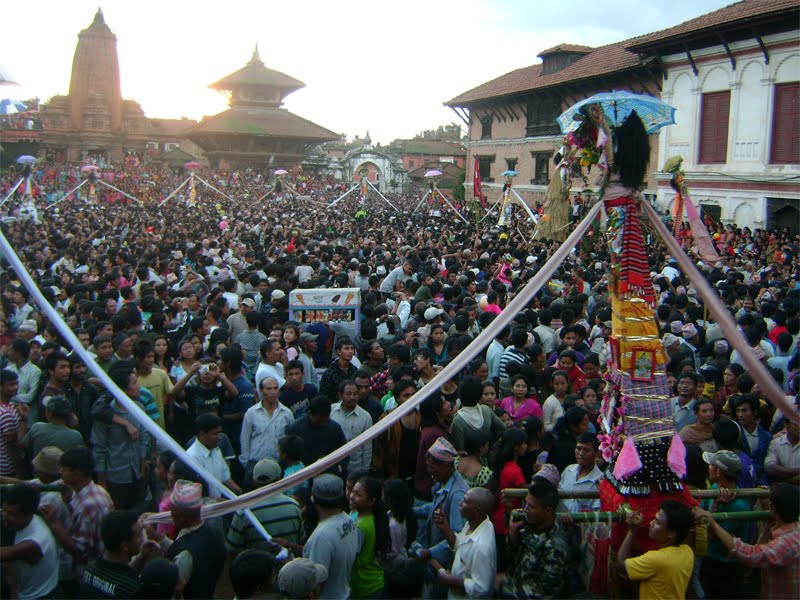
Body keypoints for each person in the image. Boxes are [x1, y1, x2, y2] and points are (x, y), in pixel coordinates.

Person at [693, 482, 800, 600]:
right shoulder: (793, 534)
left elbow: (751, 554)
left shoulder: (785, 544)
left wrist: (713, 523)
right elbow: (763, 547)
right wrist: (769, 519)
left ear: (773, 508)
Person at [40, 446, 114, 587]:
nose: (60, 472)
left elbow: (78, 552)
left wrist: (54, 522)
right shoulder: (95, 490)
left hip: (92, 575)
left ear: (77, 474)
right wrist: (68, 503)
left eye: (64, 469)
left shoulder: (89, 505)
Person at [498, 482, 572, 598]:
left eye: (531, 506)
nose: (525, 509)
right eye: (525, 503)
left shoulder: (555, 546)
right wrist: (513, 534)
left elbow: (545, 593)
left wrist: (504, 586)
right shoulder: (530, 524)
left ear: (547, 511)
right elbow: (511, 556)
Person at [616, 500, 695, 600]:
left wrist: (632, 531)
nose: (651, 523)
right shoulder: (688, 552)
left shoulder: (656, 559)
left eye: (657, 522)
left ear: (671, 533)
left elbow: (620, 564)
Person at [698, 449, 750, 598]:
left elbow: (711, 534)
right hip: (710, 560)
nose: (708, 467)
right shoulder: (714, 489)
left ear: (718, 472)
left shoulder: (740, 505)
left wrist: (713, 508)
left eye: (711, 465)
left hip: (728, 567)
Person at [302, 474, 363, 600]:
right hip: (344, 594)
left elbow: (316, 585)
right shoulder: (348, 520)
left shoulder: (321, 536)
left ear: (313, 499)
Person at [164, 480, 227, 600]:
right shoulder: (214, 533)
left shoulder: (185, 555)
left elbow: (174, 591)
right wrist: (161, 540)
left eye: (172, 513)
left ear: (181, 518)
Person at [430, 486, 497, 599]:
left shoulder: (481, 547)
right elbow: (460, 546)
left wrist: (450, 580)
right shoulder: (476, 523)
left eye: (465, 501)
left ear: (476, 510)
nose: (460, 503)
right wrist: (445, 527)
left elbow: (482, 587)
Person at [412, 437, 469, 570]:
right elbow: (434, 507)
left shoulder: (457, 494)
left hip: (447, 564)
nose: (430, 472)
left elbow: (457, 535)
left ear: (446, 466)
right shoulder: (441, 482)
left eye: (433, 468)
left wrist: (430, 552)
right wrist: (413, 511)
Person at [226, 458, 303, 554]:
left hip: (257, 567)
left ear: (254, 481)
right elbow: (301, 540)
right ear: (279, 478)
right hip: (290, 566)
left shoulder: (244, 511)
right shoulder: (294, 505)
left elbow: (233, 549)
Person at [0, 484, 60, 600]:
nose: (5, 516)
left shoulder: (35, 542)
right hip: (22, 589)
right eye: (5, 510)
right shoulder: (25, 516)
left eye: (11, 514)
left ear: (28, 514)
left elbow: (7, 554)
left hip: (40, 597)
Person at [239, 376, 293, 488]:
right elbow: (245, 439)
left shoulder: (287, 414)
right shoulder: (251, 413)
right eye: (268, 389)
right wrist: (246, 463)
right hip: (254, 464)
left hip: (278, 464)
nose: (273, 392)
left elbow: (290, 439)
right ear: (261, 391)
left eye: (275, 388)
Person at [81, 511, 146, 598]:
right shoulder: (131, 589)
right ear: (125, 546)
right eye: (138, 536)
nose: (142, 539)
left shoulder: (90, 569)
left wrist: (141, 558)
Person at [286, 396, 349, 479]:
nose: (323, 423)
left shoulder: (334, 428)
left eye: (325, 420)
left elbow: (344, 452)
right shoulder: (295, 428)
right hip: (301, 477)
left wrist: (338, 469)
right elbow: (287, 455)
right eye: (320, 420)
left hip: (327, 476)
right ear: (310, 414)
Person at [348, 477, 390, 599]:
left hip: (364, 586)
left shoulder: (361, 527)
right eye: (352, 492)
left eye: (358, 494)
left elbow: (351, 556)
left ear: (371, 501)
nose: (351, 496)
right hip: (375, 581)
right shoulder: (373, 518)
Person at [186, 413, 241, 498]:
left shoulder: (216, 450)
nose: (219, 437)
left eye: (220, 433)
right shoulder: (192, 457)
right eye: (215, 434)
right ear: (202, 434)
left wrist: (240, 493)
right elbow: (195, 494)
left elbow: (225, 478)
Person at [330, 380, 373, 476]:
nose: (352, 397)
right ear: (340, 396)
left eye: (355, 394)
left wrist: (365, 469)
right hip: (333, 465)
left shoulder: (365, 417)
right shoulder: (331, 411)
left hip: (354, 468)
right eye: (348, 394)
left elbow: (367, 446)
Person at [559, 432, 603, 513]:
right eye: (578, 449)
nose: (581, 454)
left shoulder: (600, 481)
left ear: (597, 453)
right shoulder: (568, 470)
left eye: (586, 450)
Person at [764, 411, 800, 484]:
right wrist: (797, 472)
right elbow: (769, 467)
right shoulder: (776, 443)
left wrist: (783, 481)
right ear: (786, 424)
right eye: (796, 423)